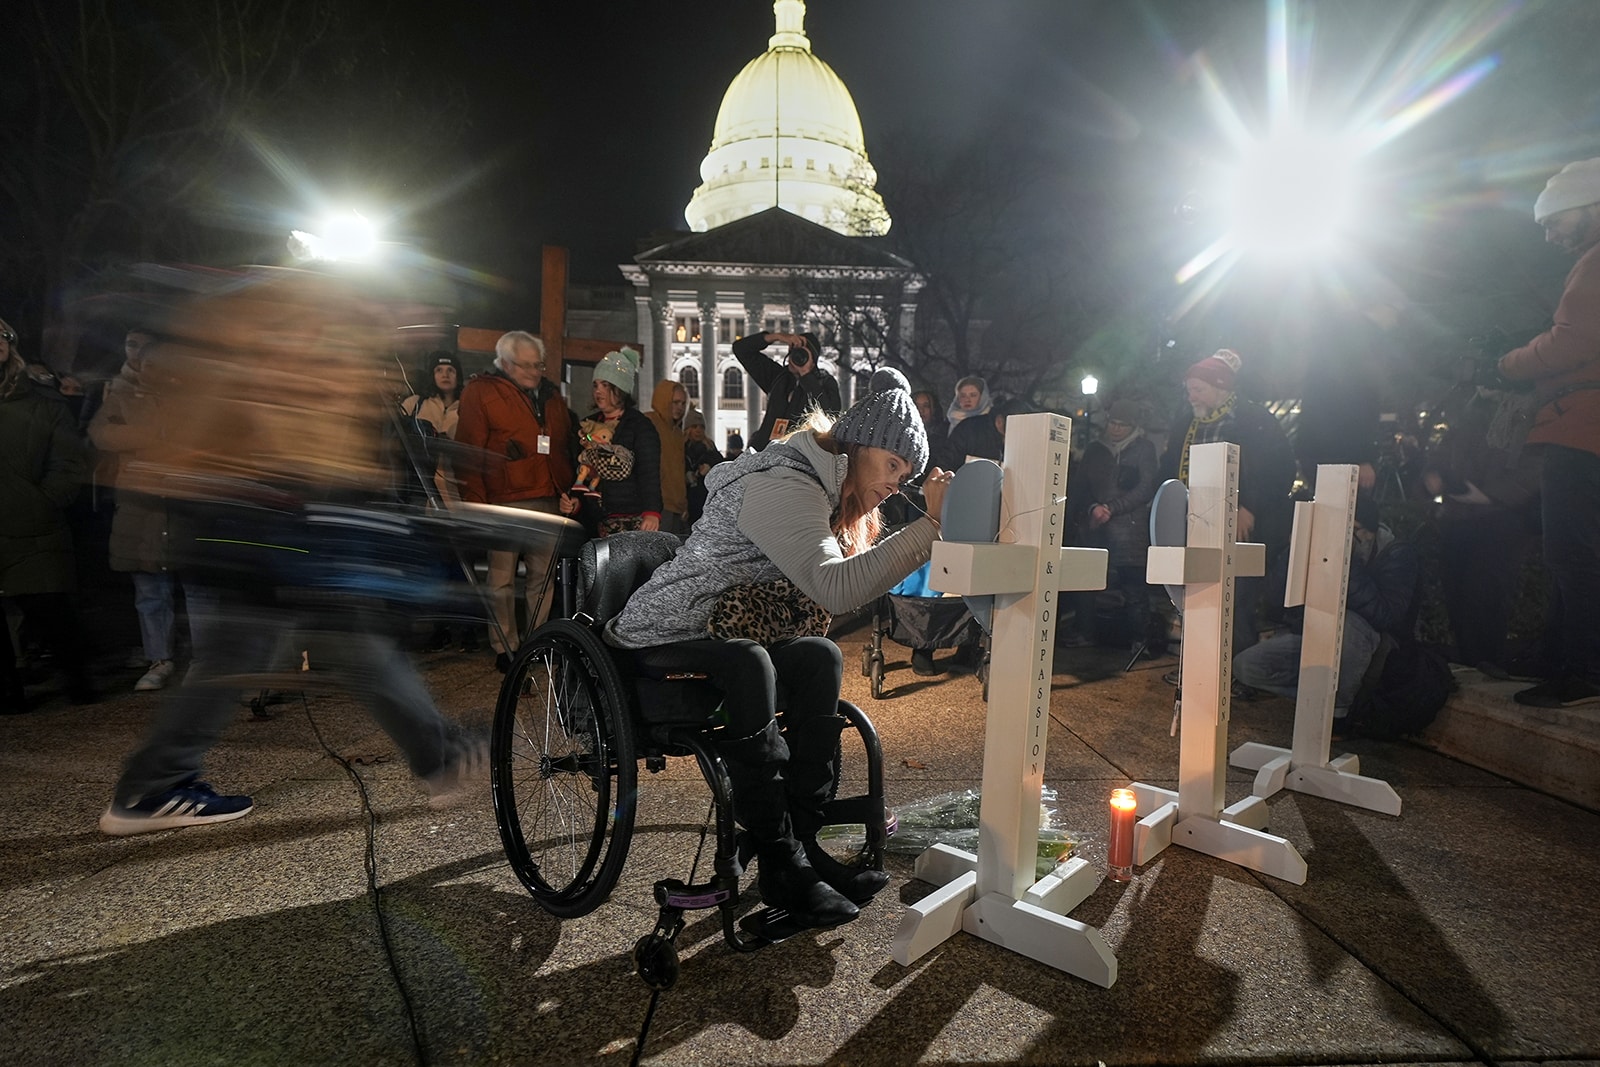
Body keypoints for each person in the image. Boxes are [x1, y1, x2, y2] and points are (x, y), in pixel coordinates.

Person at [97, 272, 486, 832]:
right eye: (414, 310)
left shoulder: (298, 324)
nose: (417, 324)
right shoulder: (297, 325)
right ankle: (151, 785)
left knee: (272, 648)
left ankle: (152, 784)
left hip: (258, 515)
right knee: (322, 643)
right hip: (260, 517)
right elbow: (287, 423)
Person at [605, 368, 951, 928]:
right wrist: (932, 525)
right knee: (750, 663)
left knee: (820, 656)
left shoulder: (819, 484)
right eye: (892, 466)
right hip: (668, 628)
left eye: (906, 475)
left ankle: (803, 842)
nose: (896, 484)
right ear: (859, 445)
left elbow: (838, 583)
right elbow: (835, 586)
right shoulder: (785, 481)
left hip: (727, 626)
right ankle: (777, 855)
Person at [1497, 157, 1600, 708]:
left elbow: (1570, 342)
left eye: (1556, 218)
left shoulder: (1596, 263)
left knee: (1571, 550)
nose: (1549, 232)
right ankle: (1563, 653)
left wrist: (1509, 364)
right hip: (1583, 426)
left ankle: (1582, 667)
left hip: (1583, 429)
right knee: (1577, 547)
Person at [456, 331, 577, 672]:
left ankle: (535, 642)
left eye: (539, 364)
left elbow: (563, 446)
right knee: (502, 579)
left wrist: (566, 488)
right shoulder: (481, 392)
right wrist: (475, 501)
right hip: (503, 500)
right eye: (527, 366)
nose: (536, 371)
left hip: (547, 496)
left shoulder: (552, 397)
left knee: (542, 578)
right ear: (506, 363)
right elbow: (468, 450)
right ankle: (505, 647)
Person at [1232, 498, 1419, 718]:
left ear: (1368, 532)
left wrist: (1347, 566)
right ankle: (1322, 698)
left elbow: (1386, 616)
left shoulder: (1396, 554)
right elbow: (1273, 600)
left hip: (1372, 648)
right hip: (1319, 636)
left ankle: (1338, 712)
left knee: (1349, 621)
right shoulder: (1322, 550)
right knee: (1246, 666)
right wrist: (1294, 552)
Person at [1164, 348, 1296, 656]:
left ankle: (1236, 672)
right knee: (1195, 596)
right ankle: (1198, 666)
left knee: (1237, 601)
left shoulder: (1255, 420)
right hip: (1194, 522)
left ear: (1220, 386)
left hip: (1242, 526)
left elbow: (1281, 470)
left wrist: (1249, 506)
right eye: (1189, 390)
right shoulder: (1185, 423)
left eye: (1198, 389)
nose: (1191, 397)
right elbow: (1168, 467)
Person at [87, 329, 188, 692]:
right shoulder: (121, 394)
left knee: (197, 585)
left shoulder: (192, 399)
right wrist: (150, 437)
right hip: (139, 504)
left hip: (183, 502)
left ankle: (206, 660)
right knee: (149, 588)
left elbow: (192, 439)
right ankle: (159, 657)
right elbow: (101, 434)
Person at [1422, 377, 1543, 678]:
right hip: (1459, 513)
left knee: (1485, 594)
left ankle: (1486, 665)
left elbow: (1535, 465)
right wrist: (1433, 475)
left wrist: (1491, 495)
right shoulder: (1471, 406)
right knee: (1458, 592)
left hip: (1503, 519)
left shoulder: (1531, 405)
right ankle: (1470, 664)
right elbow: (1447, 449)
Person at [1, 317, 93, 711]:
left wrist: (42, 500)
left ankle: (78, 685)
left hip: (35, 526)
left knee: (51, 610)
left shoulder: (40, 401)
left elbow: (70, 461)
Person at [1065, 399, 1160, 649]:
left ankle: (1141, 640)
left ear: (1133, 426)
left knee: (1133, 585)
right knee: (1086, 581)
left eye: (1122, 425)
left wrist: (1112, 508)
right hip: (1095, 525)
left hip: (1130, 528)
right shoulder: (1096, 450)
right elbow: (1081, 486)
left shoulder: (1144, 449)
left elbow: (1146, 487)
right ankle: (1086, 633)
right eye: (1113, 423)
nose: (1116, 429)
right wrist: (1091, 508)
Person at [560, 346, 660, 537]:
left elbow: (649, 472)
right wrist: (576, 500)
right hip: (593, 519)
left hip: (630, 517)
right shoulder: (588, 425)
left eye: (606, 385)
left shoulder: (639, 426)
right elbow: (580, 468)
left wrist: (651, 512)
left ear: (620, 389)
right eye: (596, 385)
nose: (598, 391)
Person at [732, 330, 841, 451]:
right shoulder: (778, 377)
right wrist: (777, 336)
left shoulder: (824, 383)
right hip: (764, 451)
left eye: (801, 354)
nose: (794, 357)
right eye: (792, 352)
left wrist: (806, 375)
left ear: (813, 359)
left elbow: (830, 414)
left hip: (799, 456)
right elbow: (740, 349)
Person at [645, 379, 690, 535]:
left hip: (676, 507)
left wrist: (683, 504)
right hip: (658, 506)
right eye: (676, 402)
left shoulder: (677, 432)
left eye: (683, 404)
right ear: (664, 400)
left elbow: (678, 471)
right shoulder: (649, 423)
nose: (680, 407)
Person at [682, 408, 725, 525]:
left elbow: (721, 467)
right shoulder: (681, 448)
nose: (698, 430)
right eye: (695, 426)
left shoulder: (710, 448)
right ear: (688, 428)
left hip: (706, 498)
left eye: (701, 427)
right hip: (687, 500)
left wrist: (710, 469)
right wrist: (686, 476)